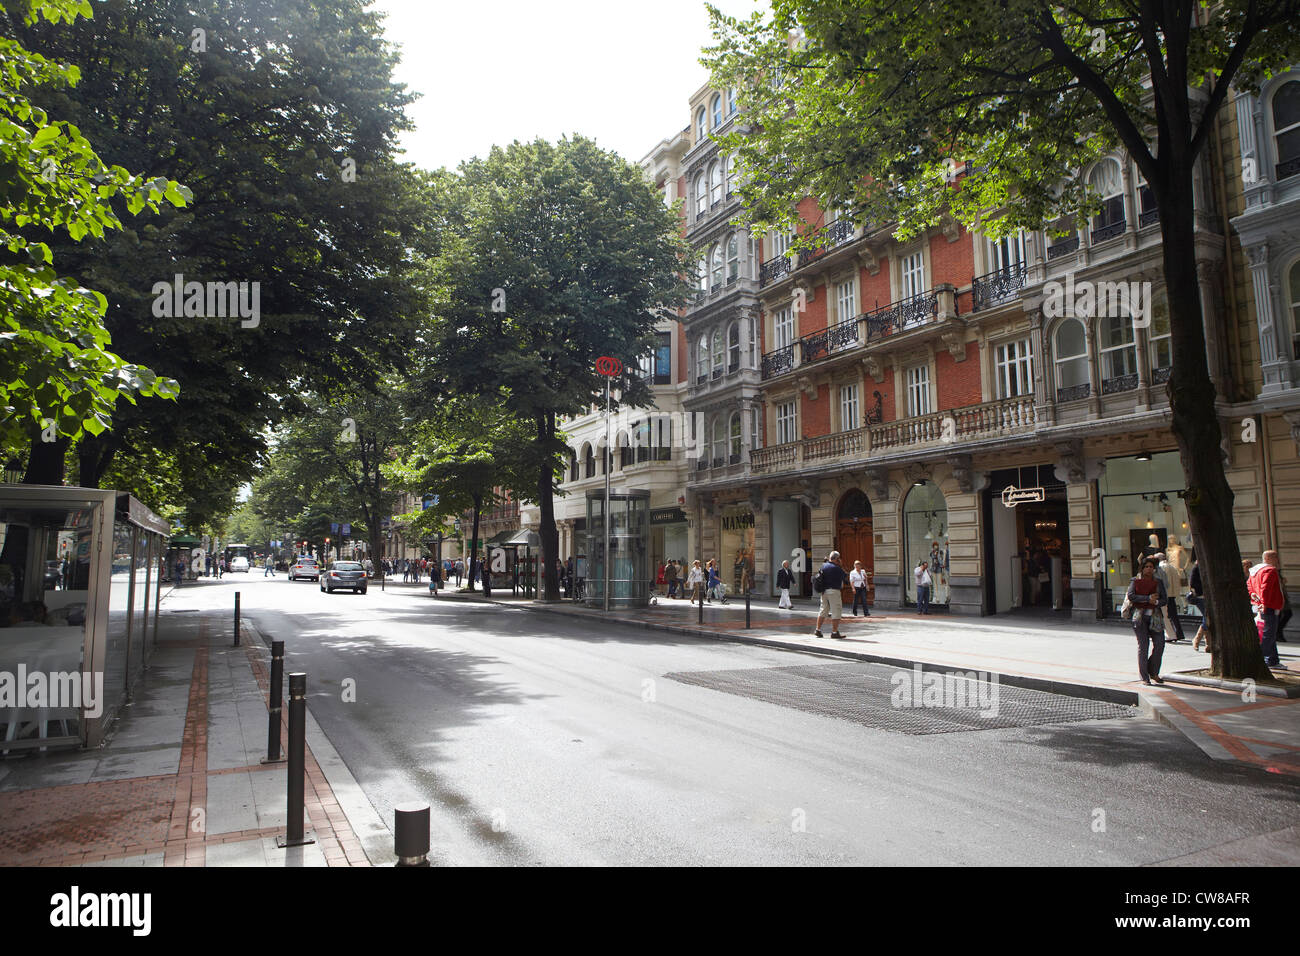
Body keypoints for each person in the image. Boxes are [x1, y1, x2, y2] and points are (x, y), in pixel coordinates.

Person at [1128, 558, 1167, 685]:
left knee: (1160, 644)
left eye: (1151, 567)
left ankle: (1153, 671)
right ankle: (1144, 676)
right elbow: (1131, 596)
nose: (1149, 569)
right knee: (1143, 646)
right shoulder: (1135, 580)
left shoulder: (1158, 582)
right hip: (1140, 617)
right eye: (1147, 567)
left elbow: (1164, 599)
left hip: (1155, 617)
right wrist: (1147, 598)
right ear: (1142, 568)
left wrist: (1156, 602)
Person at [1247, 551, 1285, 669]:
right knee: (1268, 634)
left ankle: (1272, 660)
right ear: (1269, 558)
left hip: (1260, 605)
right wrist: (1264, 603)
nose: (1277, 560)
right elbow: (1266, 588)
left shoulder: (1255, 571)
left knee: (1269, 633)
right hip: (1269, 605)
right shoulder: (1270, 570)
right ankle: (1259, 659)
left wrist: (1255, 597)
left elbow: (1249, 586)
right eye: (1275, 557)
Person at [814, 551, 847, 639]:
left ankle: (818, 630)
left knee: (823, 610)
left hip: (824, 591)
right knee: (836, 611)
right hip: (834, 591)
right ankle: (834, 632)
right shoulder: (836, 568)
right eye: (839, 559)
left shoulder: (823, 566)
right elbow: (845, 576)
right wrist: (840, 565)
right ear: (837, 559)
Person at [1156, 552, 1186, 644]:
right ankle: (1179, 633)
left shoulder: (1161, 567)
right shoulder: (1172, 567)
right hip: (1172, 594)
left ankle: (1171, 634)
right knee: (1173, 615)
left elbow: (1164, 582)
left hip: (1165, 594)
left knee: (1165, 615)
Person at [1188, 555, 1210, 653]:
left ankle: (1207, 643)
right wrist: (1201, 592)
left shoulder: (1207, 567)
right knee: (1207, 618)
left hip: (1209, 596)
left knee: (1208, 618)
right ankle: (1199, 640)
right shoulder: (1196, 568)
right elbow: (1193, 583)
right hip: (1201, 597)